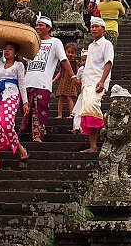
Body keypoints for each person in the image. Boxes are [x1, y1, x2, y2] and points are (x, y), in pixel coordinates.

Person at [0, 22, 29, 169]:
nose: (6, 51)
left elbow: (22, 84)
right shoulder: (0, 64)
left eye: (10, 49)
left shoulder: (18, 65)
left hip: (12, 95)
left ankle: (20, 147)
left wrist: (25, 102)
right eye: (5, 49)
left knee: (7, 124)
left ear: (15, 52)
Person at [20, 15, 72, 142]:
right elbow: (23, 60)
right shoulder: (32, 43)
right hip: (28, 81)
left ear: (48, 28)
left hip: (43, 83)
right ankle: (30, 133)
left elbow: (64, 60)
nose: (37, 27)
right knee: (26, 111)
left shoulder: (55, 42)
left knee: (40, 110)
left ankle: (38, 135)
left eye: (40, 25)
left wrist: (73, 76)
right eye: (36, 25)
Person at [73, 17, 114, 153]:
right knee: (87, 113)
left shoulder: (107, 44)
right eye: (92, 27)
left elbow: (108, 63)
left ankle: (109, 134)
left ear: (103, 29)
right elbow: (88, 66)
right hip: (88, 83)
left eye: (97, 26)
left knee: (92, 110)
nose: (94, 29)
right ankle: (93, 146)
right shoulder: (90, 46)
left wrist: (102, 81)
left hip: (97, 82)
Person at [54, 41, 81, 119]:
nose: (70, 54)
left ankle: (71, 114)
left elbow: (78, 71)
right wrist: (54, 80)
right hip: (63, 81)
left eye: (72, 53)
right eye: (68, 52)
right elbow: (60, 72)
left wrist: (78, 79)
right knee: (61, 97)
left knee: (69, 97)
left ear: (75, 53)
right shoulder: (63, 62)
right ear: (65, 52)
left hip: (71, 81)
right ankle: (59, 114)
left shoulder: (75, 62)